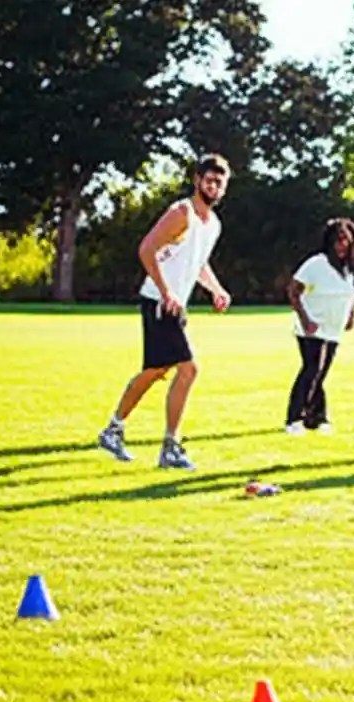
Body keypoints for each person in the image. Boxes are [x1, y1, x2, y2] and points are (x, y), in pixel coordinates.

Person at [96, 154, 233, 470]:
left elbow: (198, 263)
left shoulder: (212, 224)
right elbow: (146, 249)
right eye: (210, 180)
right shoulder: (180, 213)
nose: (214, 187)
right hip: (158, 302)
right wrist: (167, 291)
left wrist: (217, 289)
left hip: (174, 305)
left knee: (157, 371)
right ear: (197, 181)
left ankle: (113, 430)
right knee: (188, 369)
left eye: (220, 183)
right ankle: (170, 447)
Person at [285, 217, 354, 435]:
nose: (342, 245)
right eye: (338, 240)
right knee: (312, 370)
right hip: (312, 328)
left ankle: (317, 417)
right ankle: (294, 418)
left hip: (334, 330)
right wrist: (306, 320)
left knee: (320, 373)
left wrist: (352, 315)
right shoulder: (317, 264)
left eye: (346, 241)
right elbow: (293, 291)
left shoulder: (350, 269)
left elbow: (351, 295)